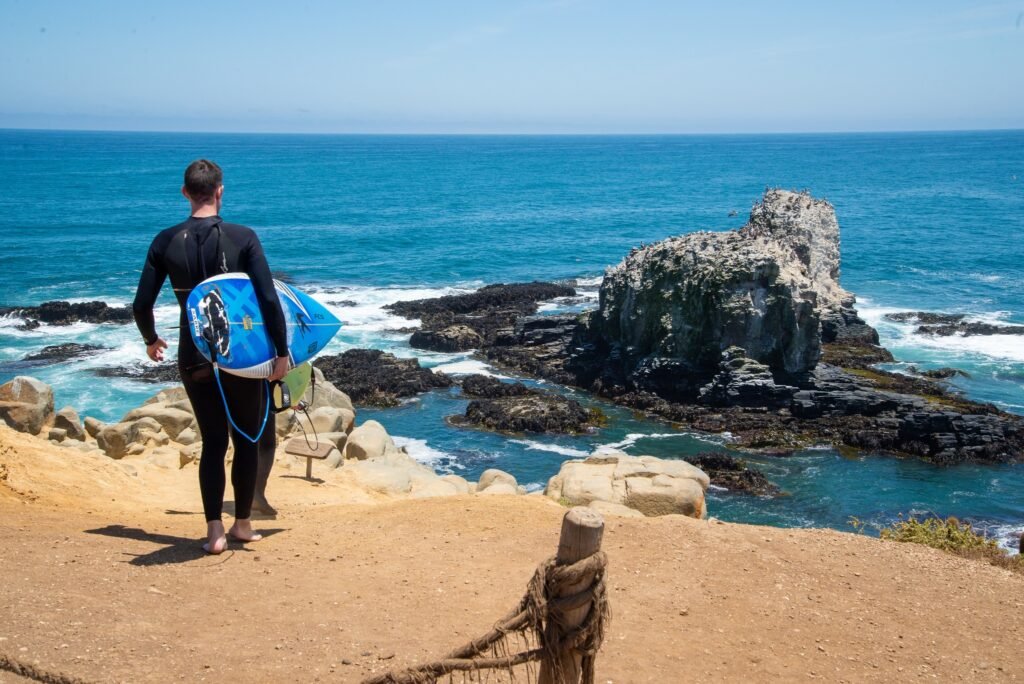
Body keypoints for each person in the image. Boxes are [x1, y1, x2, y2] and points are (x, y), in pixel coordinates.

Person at [132, 159, 288, 554]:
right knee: (247, 439)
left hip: (193, 354)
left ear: (185, 192)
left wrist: (151, 339)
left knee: (213, 442)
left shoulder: (165, 240)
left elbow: (141, 304)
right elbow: (269, 299)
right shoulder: (243, 237)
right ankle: (243, 525)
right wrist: (282, 353)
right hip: (242, 356)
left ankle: (214, 532)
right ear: (220, 191)